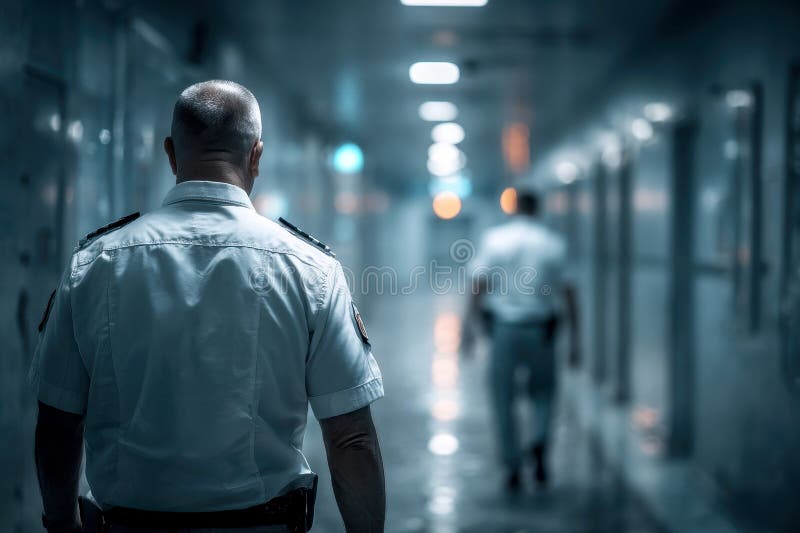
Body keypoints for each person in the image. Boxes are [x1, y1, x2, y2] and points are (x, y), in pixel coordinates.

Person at [29, 80, 385, 533]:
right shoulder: (311, 270)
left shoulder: (95, 265)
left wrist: (61, 524)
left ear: (171, 153)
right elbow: (351, 437)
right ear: (257, 155)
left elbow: (58, 423)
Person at [462, 188, 579, 491]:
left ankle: (512, 464)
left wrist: (468, 330)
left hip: (504, 330)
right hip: (541, 330)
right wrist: (576, 340)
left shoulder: (495, 240)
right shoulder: (553, 243)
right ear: (538, 210)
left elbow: (479, 284)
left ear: (513, 209)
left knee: (503, 399)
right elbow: (568, 291)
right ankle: (539, 441)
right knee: (543, 393)